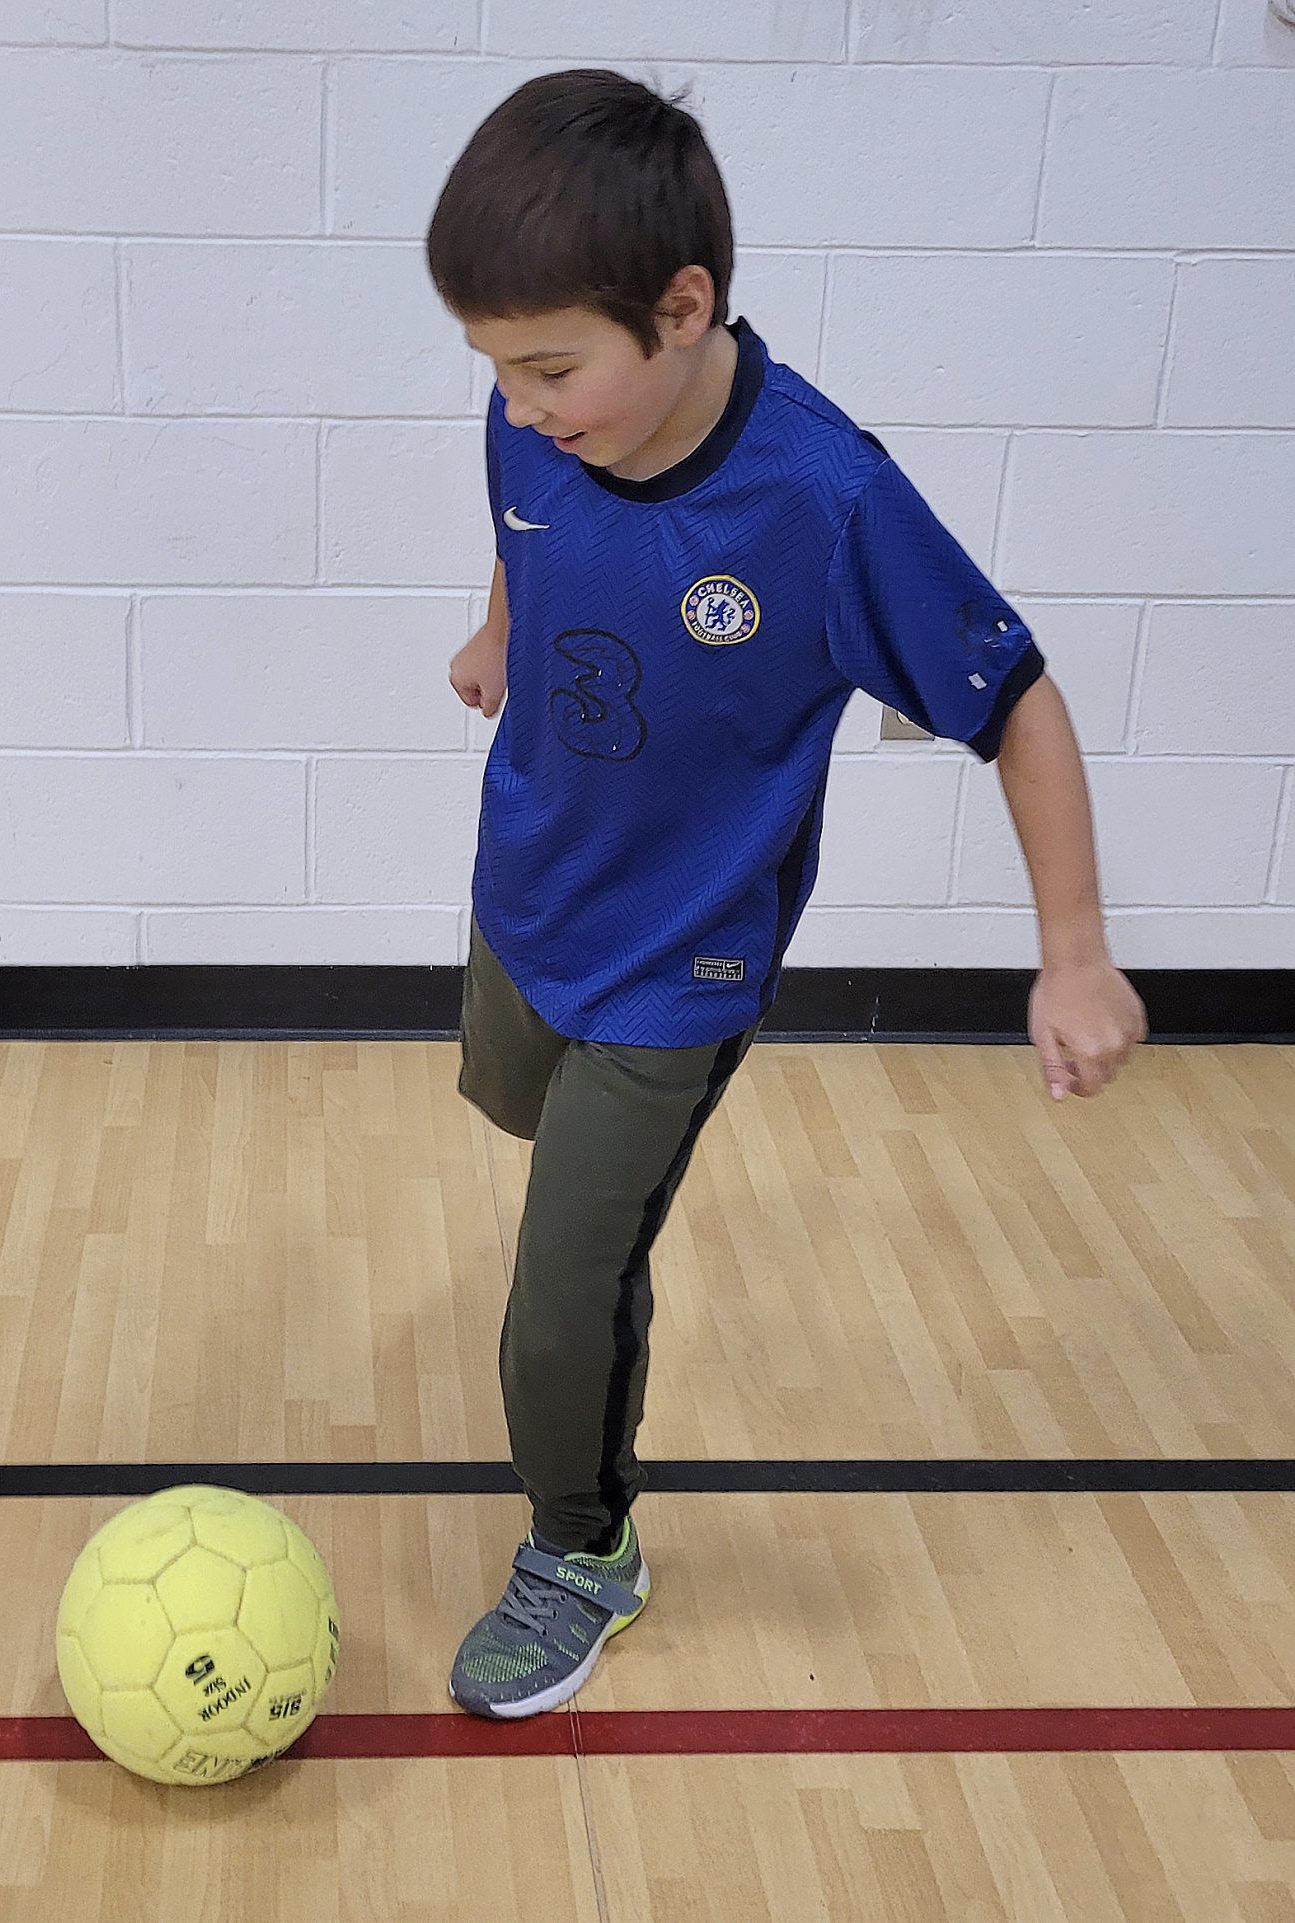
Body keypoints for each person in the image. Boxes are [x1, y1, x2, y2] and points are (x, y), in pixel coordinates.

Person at [422, 70, 1148, 1721]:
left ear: (682, 310)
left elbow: (1018, 699)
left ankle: (582, 1550)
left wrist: (1075, 955)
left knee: (559, 1296)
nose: (519, 405)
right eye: (494, 369)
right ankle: (600, 1262)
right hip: (529, 890)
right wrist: (501, 629)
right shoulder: (535, 419)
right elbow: (528, 521)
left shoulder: (827, 503)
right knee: (529, 1130)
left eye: (550, 370)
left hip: (683, 959)